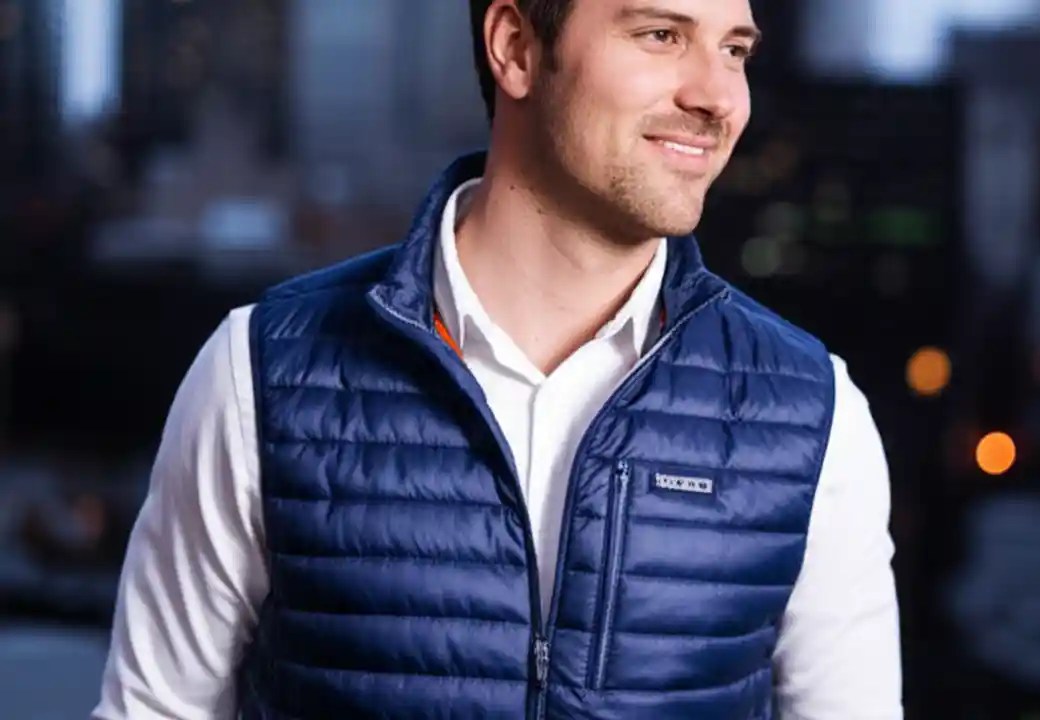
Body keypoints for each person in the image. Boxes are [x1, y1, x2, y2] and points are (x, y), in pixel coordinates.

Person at [93, 0, 902, 717]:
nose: (717, 97)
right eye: (661, 35)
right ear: (515, 47)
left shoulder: (811, 414)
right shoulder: (261, 373)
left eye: (734, 50)